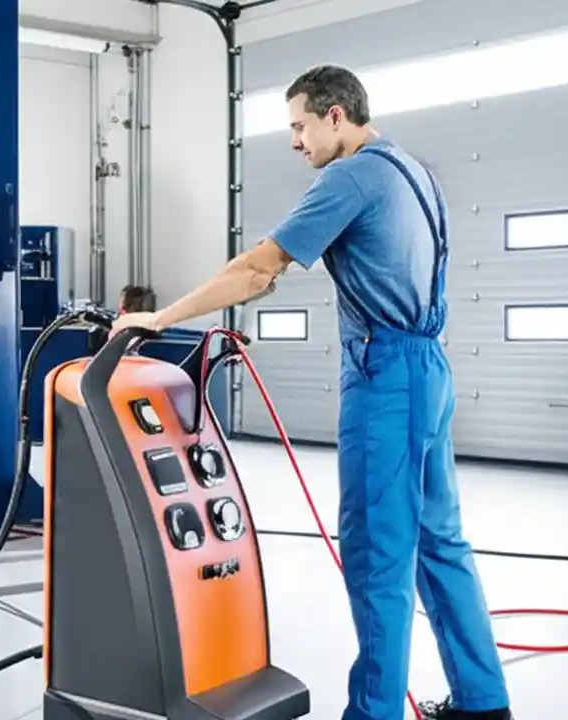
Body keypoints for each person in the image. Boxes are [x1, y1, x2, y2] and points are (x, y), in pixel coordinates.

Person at [111, 65, 512, 720]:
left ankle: (373, 712)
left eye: (299, 125)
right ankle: (484, 701)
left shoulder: (350, 176)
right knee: (439, 541)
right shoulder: (412, 170)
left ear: (335, 116)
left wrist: (158, 318)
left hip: (387, 377)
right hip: (429, 372)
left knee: (377, 551)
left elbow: (256, 269)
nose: (295, 141)